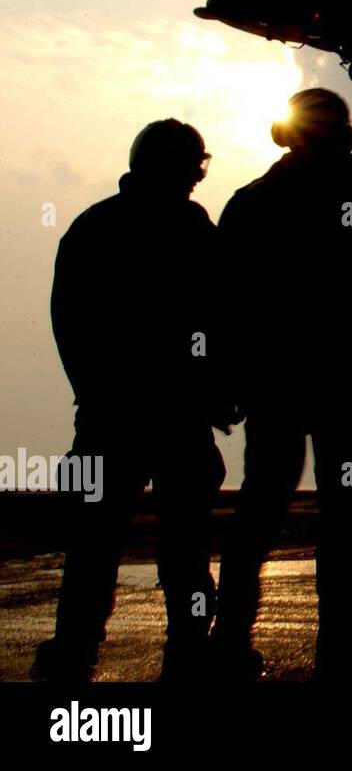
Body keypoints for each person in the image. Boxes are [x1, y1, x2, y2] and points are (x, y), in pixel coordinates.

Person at [212, 88, 352, 679]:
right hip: (340, 386)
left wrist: (231, 377)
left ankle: (230, 636)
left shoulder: (252, 201)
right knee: (346, 516)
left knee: (259, 510)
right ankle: (343, 644)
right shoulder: (347, 200)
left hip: (274, 385)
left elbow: (221, 302)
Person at [35, 120, 231, 683]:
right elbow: (220, 319)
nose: (197, 174)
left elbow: (69, 323)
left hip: (111, 416)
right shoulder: (193, 231)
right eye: (195, 163)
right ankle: (189, 647)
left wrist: (96, 392)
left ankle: (73, 650)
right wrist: (216, 390)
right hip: (172, 416)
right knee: (185, 548)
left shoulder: (94, 227)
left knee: (95, 545)